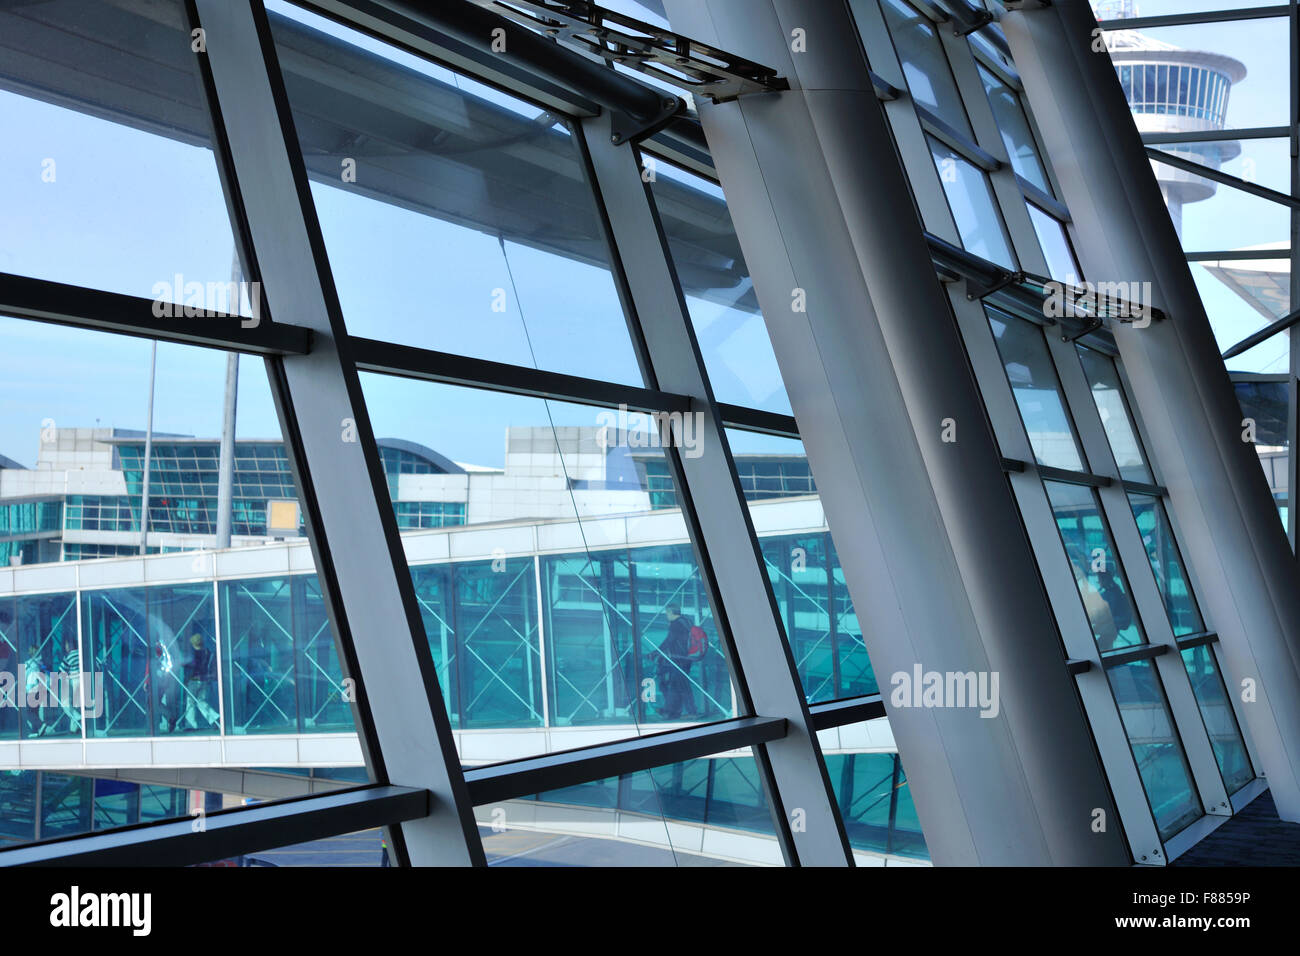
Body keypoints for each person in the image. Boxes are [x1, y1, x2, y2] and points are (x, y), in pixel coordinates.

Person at [656, 605, 695, 720]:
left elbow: (669, 640)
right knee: (676, 685)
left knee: (681, 686)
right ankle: (671, 710)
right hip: (686, 658)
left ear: (670, 612)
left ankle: (691, 712)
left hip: (678, 659)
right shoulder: (687, 621)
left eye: (667, 613)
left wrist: (656, 651)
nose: (666, 616)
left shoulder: (675, 624)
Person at [182, 633, 219, 731]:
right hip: (205, 679)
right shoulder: (208, 653)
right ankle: (214, 718)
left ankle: (191, 724)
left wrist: (184, 665)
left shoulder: (195, 654)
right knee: (201, 701)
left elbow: (193, 666)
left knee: (190, 702)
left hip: (194, 680)